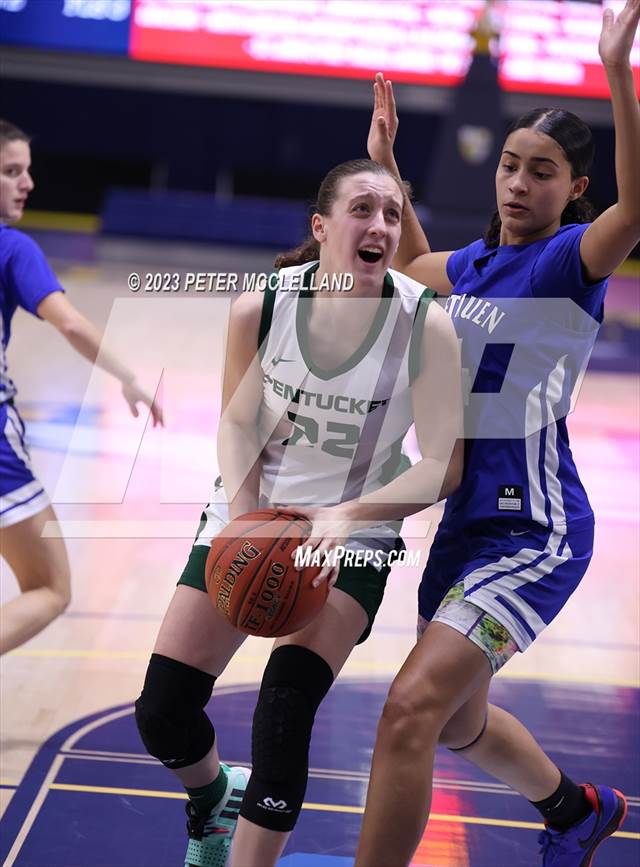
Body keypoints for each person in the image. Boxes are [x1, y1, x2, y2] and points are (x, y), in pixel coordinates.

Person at [356, 2, 640, 866]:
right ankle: (574, 808)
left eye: (542, 171)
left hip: (534, 529)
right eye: (511, 165)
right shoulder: (473, 264)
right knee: (454, 720)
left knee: (409, 710)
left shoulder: (569, 261)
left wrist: (616, 73)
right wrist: (389, 169)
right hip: (465, 521)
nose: (518, 182)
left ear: (576, 189)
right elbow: (409, 267)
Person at [133, 157, 464, 867]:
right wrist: (248, 526)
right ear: (321, 228)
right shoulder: (263, 306)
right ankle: (212, 799)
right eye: (364, 209)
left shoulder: (425, 326)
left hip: (360, 529)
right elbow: (236, 425)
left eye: (394, 214)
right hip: (257, 507)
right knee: (162, 711)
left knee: (283, 718)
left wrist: (344, 519)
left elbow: (445, 465)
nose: (381, 225)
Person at [0, 119, 164, 654]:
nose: (27, 184)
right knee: (49, 587)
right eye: (11, 172)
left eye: (27, 171)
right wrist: (130, 377)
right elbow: (70, 322)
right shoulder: (13, 247)